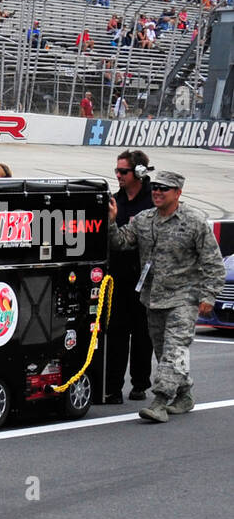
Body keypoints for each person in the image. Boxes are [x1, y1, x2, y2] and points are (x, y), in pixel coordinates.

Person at [106, 169, 224, 422]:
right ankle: (184, 395)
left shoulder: (194, 221)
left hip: (185, 298)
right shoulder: (143, 219)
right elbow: (122, 243)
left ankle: (159, 401)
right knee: (164, 353)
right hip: (153, 298)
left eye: (164, 188)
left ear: (178, 193)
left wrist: (209, 296)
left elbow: (213, 263)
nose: (157, 192)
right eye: (155, 188)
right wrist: (111, 222)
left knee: (174, 350)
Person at [103, 149, 154, 403]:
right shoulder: (113, 200)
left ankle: (140, 384)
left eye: (123, 171)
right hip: (119, 277)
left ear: (139, 172)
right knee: (116, 332)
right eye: (117, 171)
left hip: (147, 278)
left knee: (143, 333)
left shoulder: (154, 199)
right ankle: (112, 386)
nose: (118, 175)